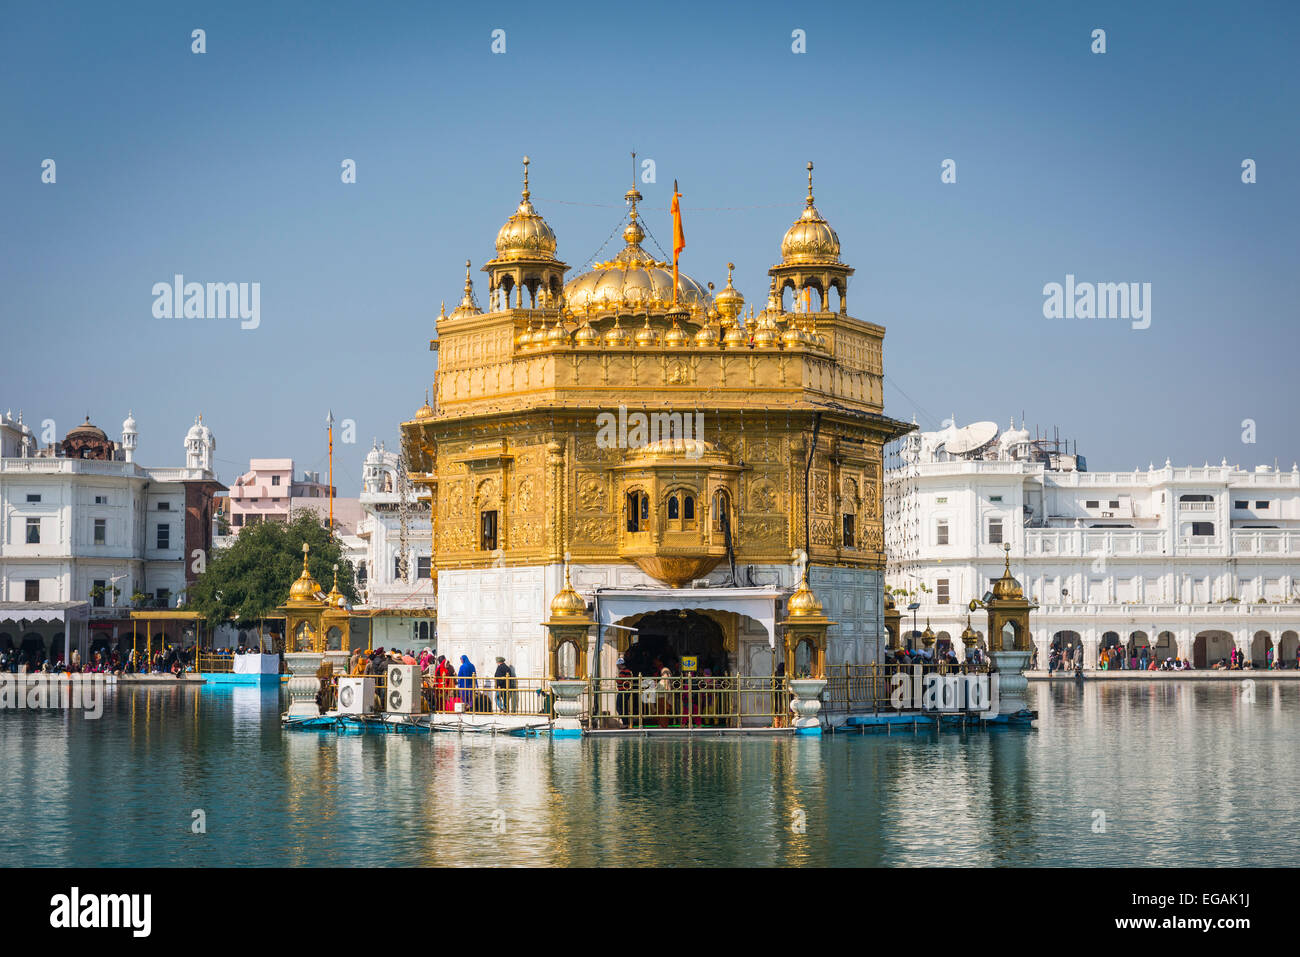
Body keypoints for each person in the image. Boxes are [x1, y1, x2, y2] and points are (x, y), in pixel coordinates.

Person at [616, 656, 634, 727]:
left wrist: (617, 679)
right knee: (624, 707)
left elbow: (621, 681)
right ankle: (626, 722)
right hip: (626, 692)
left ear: (620, 665)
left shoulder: (623, 672)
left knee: (620, 707)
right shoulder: (628, 671)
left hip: (622, 692)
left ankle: (625, 723)